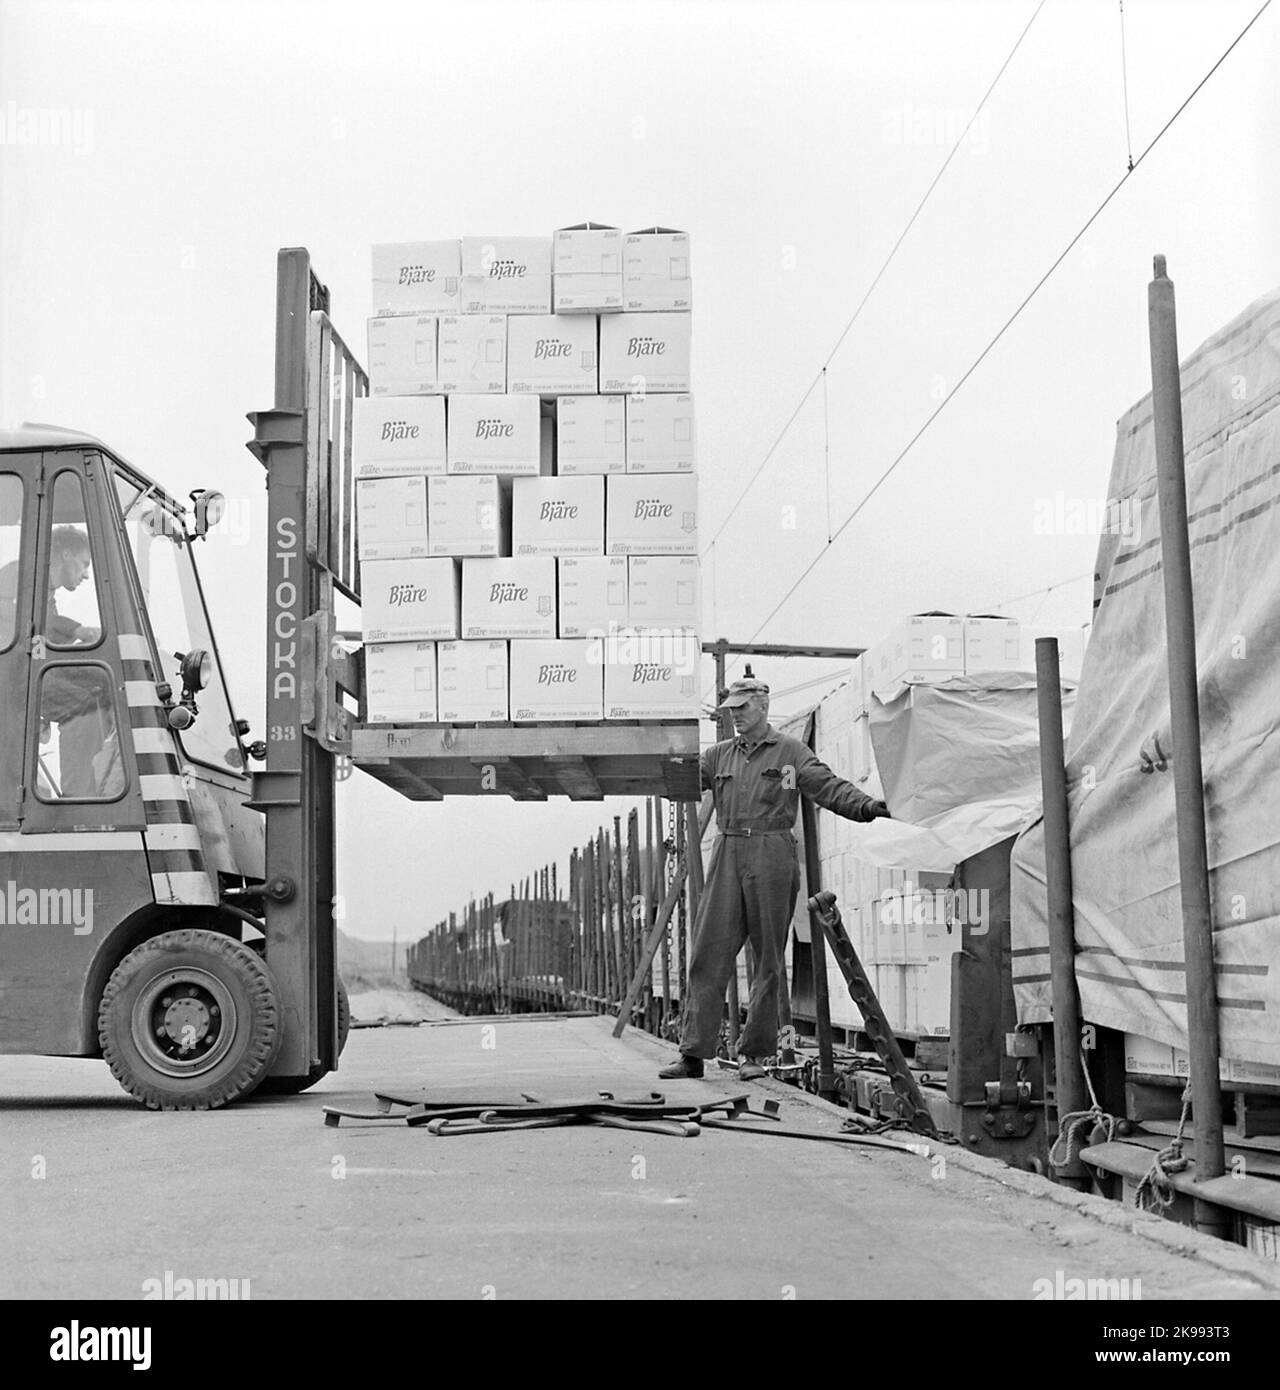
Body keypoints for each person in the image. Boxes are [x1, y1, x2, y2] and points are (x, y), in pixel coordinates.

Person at [660, 675, 891, 1081]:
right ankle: (693, 1053)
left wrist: (868, 807)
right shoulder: (717, 757)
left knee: (768, 959)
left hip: (772, 852)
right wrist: (655, 753)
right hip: (728, 850)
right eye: (731, 710)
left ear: (763, 707)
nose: (736, 717)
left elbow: (828, 787)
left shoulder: (790, 753)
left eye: (743, 709)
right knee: (707, 953)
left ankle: (754, 1055)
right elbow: (676, 782)